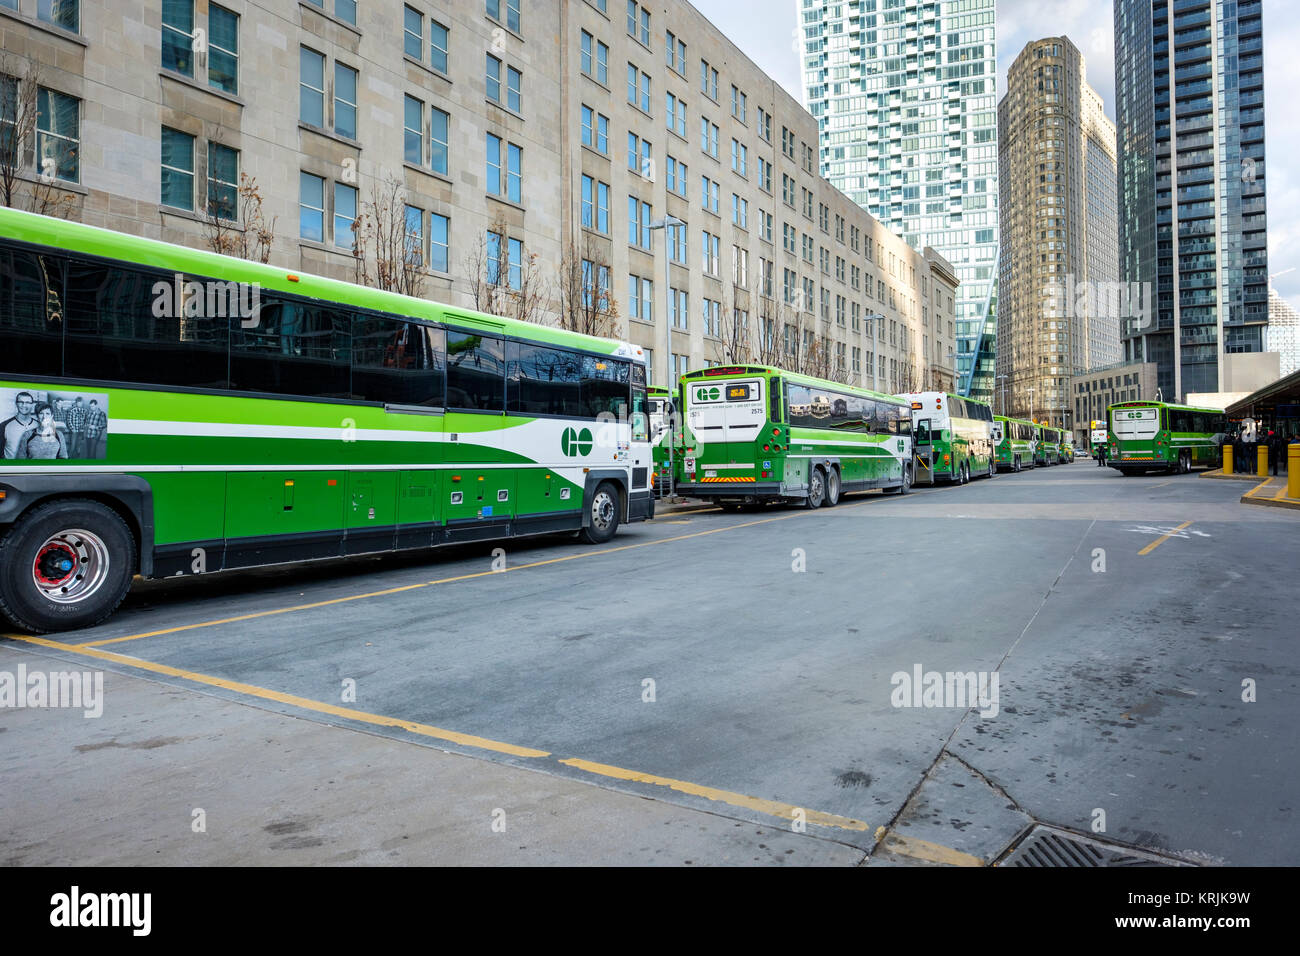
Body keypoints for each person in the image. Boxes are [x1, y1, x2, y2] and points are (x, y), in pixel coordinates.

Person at [2, 391, 39, 459]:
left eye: (28, 402)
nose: (24, 405)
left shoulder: (39, 425)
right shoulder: (4, 426)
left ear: (32, 405)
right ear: (16, 404)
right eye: (21, 402)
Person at [65, 395, 87, 459]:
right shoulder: (72, 410)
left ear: (82, 403)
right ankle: (69, 458)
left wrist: (83, 428)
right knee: (73, 446)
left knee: (79, 445)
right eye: (78, 402)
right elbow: (68, 420)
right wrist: (72, 429)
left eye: (81, 402)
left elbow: (86, 420)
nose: (80, 403)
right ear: (76, 403)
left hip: (81, 431)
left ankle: (77, 458)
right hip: (74, 431)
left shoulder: (84, 411)